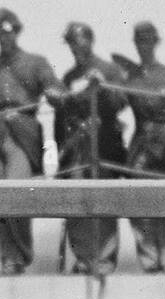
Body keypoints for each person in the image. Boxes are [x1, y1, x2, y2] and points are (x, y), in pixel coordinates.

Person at [0, 10, 64, 274]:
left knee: (17, 192)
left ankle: (21, 255)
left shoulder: (36, 63)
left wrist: (54, 93)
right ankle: (7, 257)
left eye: (7, 32)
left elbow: (55, 87)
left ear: (16, 31)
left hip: (23, 136)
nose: (3, 37)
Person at [55, 23, 127, 276]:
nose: (75, 48)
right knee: (76, 200)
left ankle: (104, 260)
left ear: (90, 41)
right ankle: (84, 258)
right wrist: (59, 148)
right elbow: (61, 117)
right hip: (76, 148)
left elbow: (120, 102)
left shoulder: (109, 70)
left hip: (104, 147)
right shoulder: (69, 77)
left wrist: (103, 87)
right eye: (71, 43)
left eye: (79, 42)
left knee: (103, 201)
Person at [121, 22, 165, 272]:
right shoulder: (130, 77)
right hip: (141, 144)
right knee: (140, 202)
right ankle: (149, 260)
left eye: (148, 40)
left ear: (155, 43)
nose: (144, 46)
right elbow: (116, 102)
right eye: (140, 41)